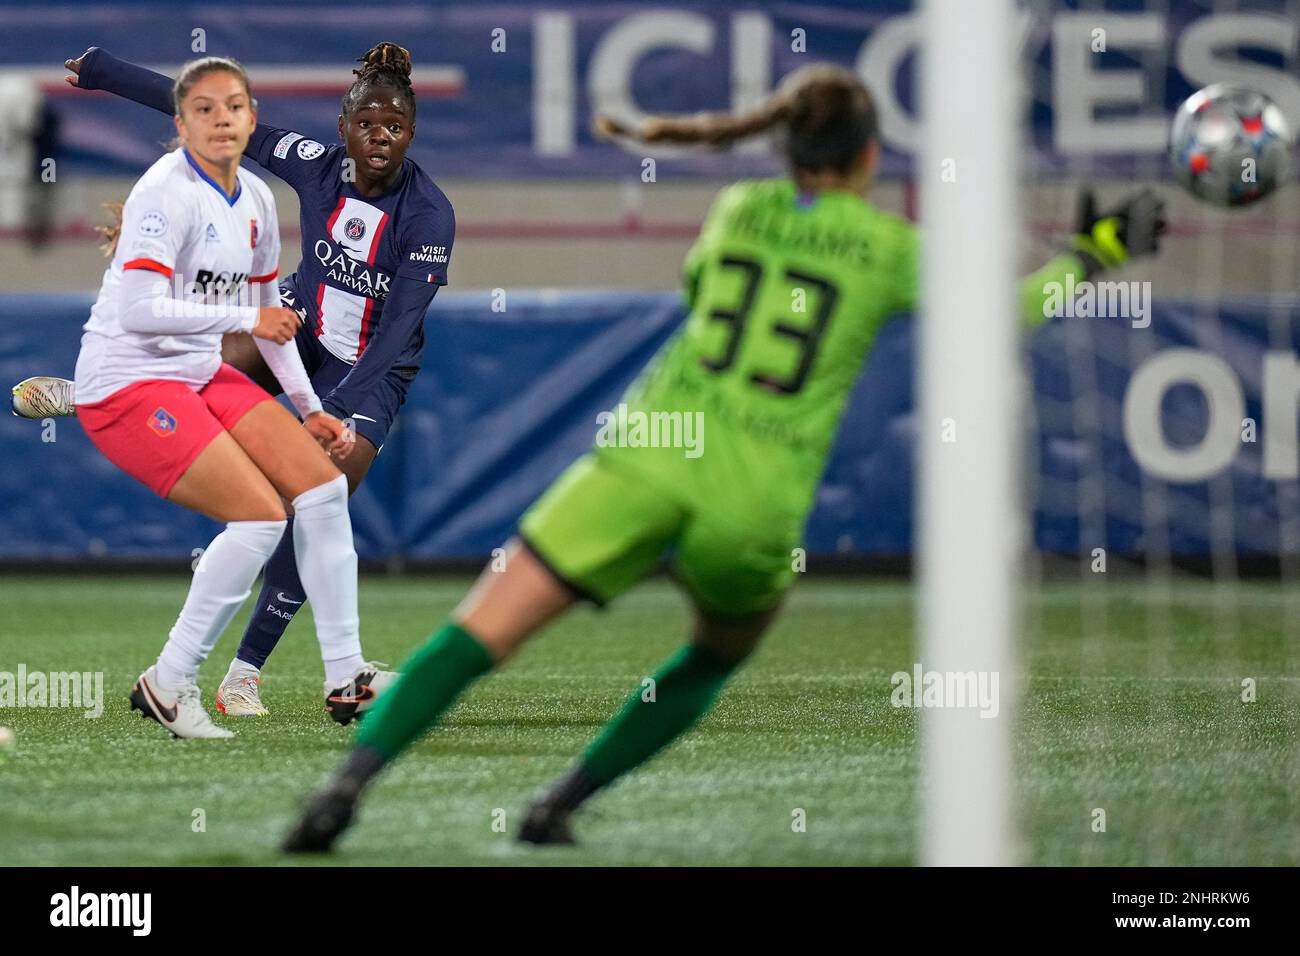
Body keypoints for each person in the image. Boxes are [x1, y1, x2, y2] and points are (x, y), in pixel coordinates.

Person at [281, 63, 1166, 848]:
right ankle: (561, 804)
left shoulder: (740, 208)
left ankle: (343, 793)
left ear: (785, 150)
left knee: (478, 634)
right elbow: (999, 316)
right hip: (757, 501)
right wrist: (1090, 255)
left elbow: (705, 286)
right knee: (712, 655)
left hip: (642, 461)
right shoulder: (893, 250)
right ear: (867, 159)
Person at [16, 41, 455, 717]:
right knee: (218, 373)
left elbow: (398, 328)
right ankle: (108, 391)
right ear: (344, 128)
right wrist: (107, 73)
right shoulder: (317, 166)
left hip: (372, 371)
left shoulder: (428, 216)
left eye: (394, 126)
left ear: (411, 134)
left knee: (319, 499)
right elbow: (214, 119)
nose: (380, 137)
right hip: (299, 327)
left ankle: (245, 671)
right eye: (367, 123)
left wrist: (338, 406)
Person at [74, 55, 391, 738]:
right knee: (258, 519)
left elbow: (273, 315)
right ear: (182, 120)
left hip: (196, 373)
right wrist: (244, 320)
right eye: (205, 108)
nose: (223, 119)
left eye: (236, 107)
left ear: (252, 118)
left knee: (322, 488)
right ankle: (169, 681)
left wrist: (309, 407)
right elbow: (139, 311)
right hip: (130, 381)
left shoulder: (254, 198)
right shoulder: (166, 189)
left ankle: (346, 676)